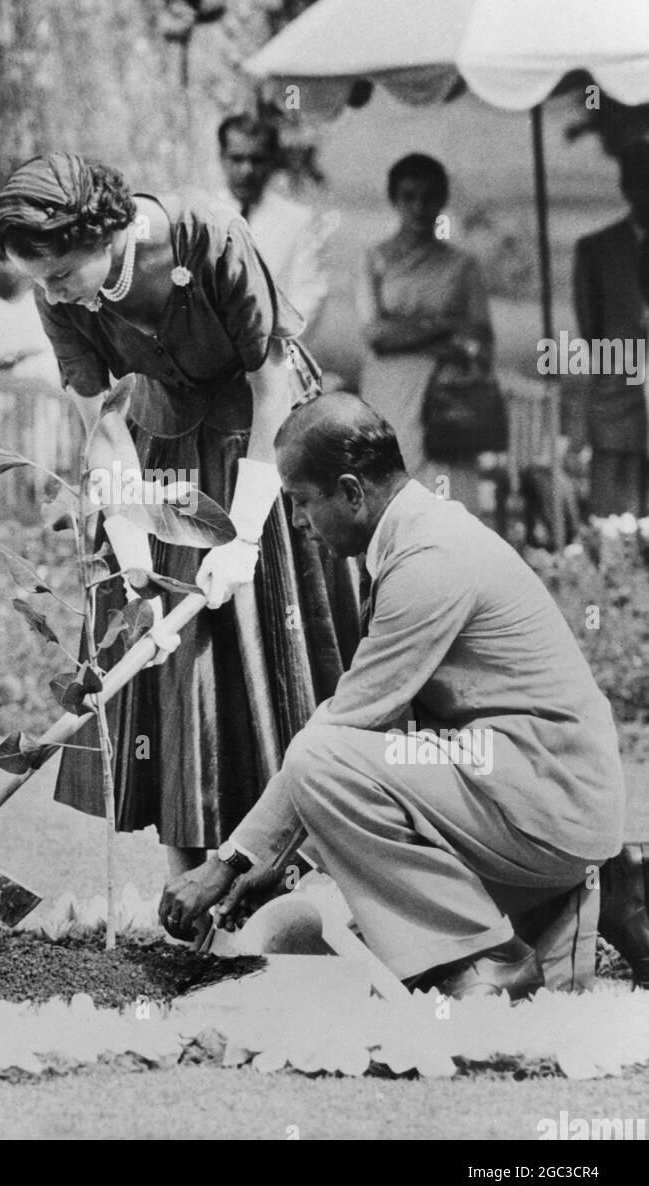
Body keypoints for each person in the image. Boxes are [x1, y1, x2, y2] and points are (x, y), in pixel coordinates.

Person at [160, 393, 626, 998]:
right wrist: (280, 862)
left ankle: (489, 959)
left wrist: (229, 864)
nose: (298, 522)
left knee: (317, 758)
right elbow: (386, 743)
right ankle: (594, 895)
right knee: (366, 915)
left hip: (549, 796)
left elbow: (343, 734)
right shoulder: (416, 536)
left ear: (352, 491)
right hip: (531, 783)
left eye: (301, 503)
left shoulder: (429, 558)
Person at [0, 154, 359, 877]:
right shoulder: (57, 288)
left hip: (262, 440)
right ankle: (185, 889)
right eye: (40, 282)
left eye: (62, 274)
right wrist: (128, 536)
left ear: (106, 233)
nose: (53, 294)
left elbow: (270, 382)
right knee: (174, 656)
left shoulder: (208, 235)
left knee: (269, 644)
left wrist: (246, 529)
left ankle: (299, 870)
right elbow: (100, 420)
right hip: (160, 453)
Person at [356, 153, 494, 513]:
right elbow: (377, 336)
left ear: (443, 200)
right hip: (390, 392)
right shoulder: (376, 259)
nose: (419, 207)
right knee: (391, 488)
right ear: (394, 200)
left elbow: (478, 337)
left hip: (445, 394)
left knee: (445, 496)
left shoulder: (462, 266)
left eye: (430, 196)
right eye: (409, 196)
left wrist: (408, 331)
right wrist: (443, 324)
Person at [572, 138, 649, 518]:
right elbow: (591, 328)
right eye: (642, 181)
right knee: (615, 511)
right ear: (627, 186)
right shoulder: (596, 249)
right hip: (618, 391)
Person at [218, 113, 328, 331]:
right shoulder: (198, 215)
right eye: (237, 158)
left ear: (272, 161)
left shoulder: (298, 221)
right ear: (222, 158)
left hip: (274, 352)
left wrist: (265, 347)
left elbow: (308, 295)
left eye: (256, 160)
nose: (247, 170)